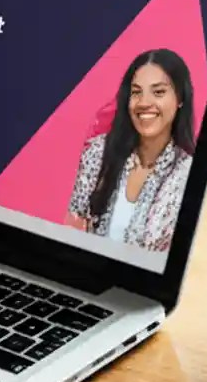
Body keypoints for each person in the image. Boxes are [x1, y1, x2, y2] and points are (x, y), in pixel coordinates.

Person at [66, 48, 196, 252]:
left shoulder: (188, 176)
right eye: (136, 92)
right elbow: (70, 230)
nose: (144, 103)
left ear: (180, 98)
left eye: (159, 92)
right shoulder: (98, 152)